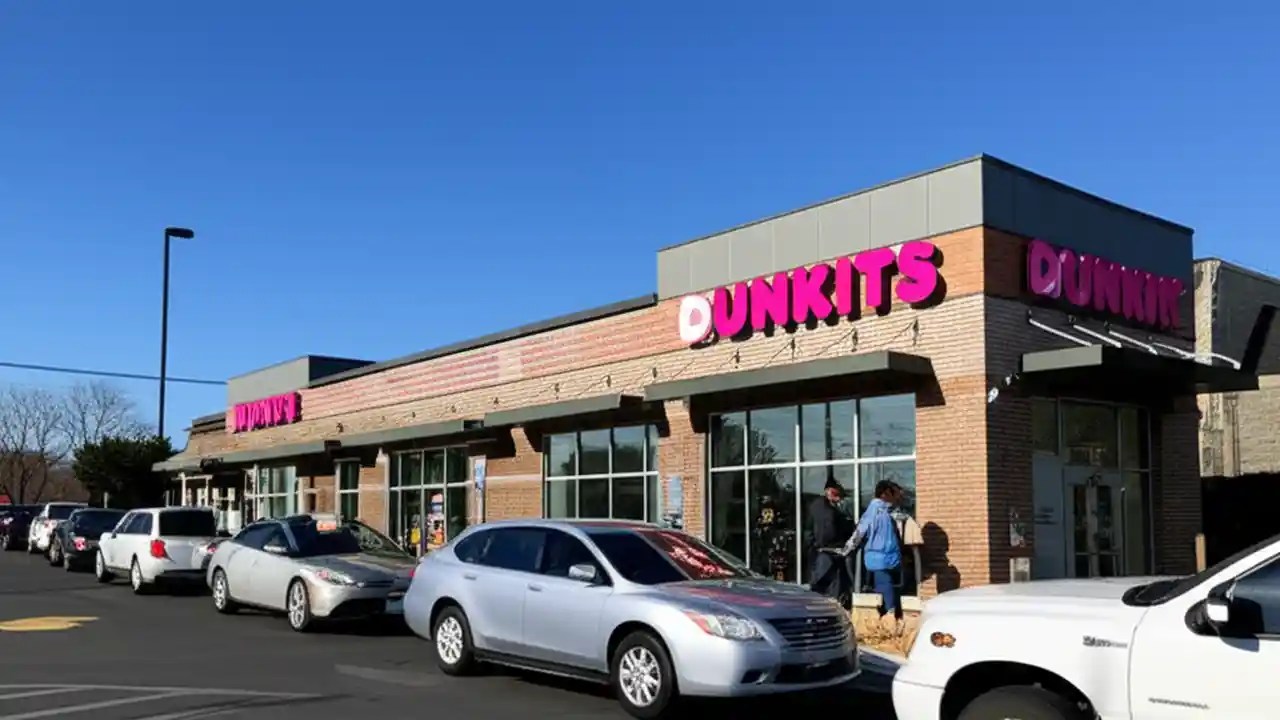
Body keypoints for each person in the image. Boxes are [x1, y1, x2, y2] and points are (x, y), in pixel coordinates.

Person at [841, 480, 905, 623]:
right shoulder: (875, 512)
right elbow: (859, 533)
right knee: (885, 589)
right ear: (885, 494)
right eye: (894, 494)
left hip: (886, 558)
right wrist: (847, 550)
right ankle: (890, 618)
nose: (896, 498)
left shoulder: (887, 512)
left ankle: (891, 615)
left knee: (887, 588)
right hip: (881, 559)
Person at [807, 477, 853, 598]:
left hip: (824, 550)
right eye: (836, 494)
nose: (838, 499)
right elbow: (828, 531)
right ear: (828, 492)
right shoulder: (826, 511)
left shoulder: (820, 507)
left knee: (826, 583)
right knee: (826, 584)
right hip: (827, 551)